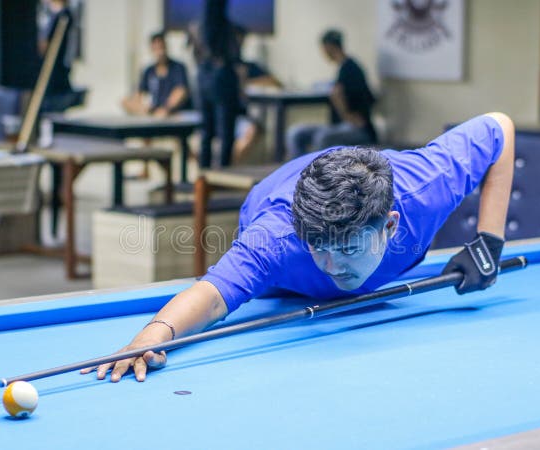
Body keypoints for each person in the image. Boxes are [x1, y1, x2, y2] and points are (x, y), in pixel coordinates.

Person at [81, 112, 515, 382]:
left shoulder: (428, 185)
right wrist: (155, 334)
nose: (331, 264)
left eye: (348, 248)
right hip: (279, 250)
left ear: (390, 224)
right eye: (318, 247)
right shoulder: (277, 239)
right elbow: (212, 295)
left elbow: (499, 127)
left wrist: (489, 240)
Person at [286, 29, 377, 158]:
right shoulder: (342, 68)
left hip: (359, 129)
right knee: (295, 133)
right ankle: (299, 167)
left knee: (322, 137)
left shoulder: (351, 68)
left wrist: (347, 116)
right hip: (338, 126)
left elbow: (339, 95)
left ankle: (317, 169)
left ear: (329, 47)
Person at [191, 0, 242, 168]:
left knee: (206, 133)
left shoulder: (196, 27)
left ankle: (203, 174)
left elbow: (196, 56)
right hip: (223, 81)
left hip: (203, 81)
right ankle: (223, 174)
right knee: (226, 134)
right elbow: (235, 56)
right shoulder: (228, 28)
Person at [233, 25, 283, 163]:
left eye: (241, 41)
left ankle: (229, 167)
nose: (238, 45)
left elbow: (275, 82)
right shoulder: (220, 68)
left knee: (252, 130)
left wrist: (245, 82)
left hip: (244, 118)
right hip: (224, 117)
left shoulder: (248, 66)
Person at [122, 32, 192, 117]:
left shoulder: (178, 67)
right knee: (125, 102)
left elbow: (180, 91)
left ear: (166, 47)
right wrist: (140, 106)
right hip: (155, 110)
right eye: (156, 48)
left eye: (161, 47)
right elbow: (139, 94)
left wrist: (166, 109)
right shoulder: (149, 71)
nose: (159, 52)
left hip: (173, 111)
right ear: (151, 49)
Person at [38, 0, 77, 112]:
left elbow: (46, 43)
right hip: (54, 66)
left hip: (57, 65)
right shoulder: (52, 14)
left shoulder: (63, 16)